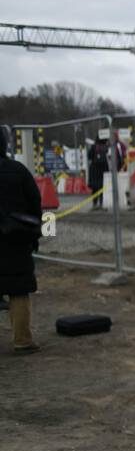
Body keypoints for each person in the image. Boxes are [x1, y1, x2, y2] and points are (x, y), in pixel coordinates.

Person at [0, 128, 42, 354]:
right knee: (18, 291)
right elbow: (36, 203)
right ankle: (23, 340)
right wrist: (38, 235)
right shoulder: (18, 171)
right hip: (15, 240)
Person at [87, 137, 109, 210]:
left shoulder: (94, 147)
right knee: (101, 188)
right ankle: (101, 204)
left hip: (94, 170)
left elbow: (89, 156)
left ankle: (94, 204)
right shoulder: (106, 147)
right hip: (102, 170)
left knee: (94, 189)